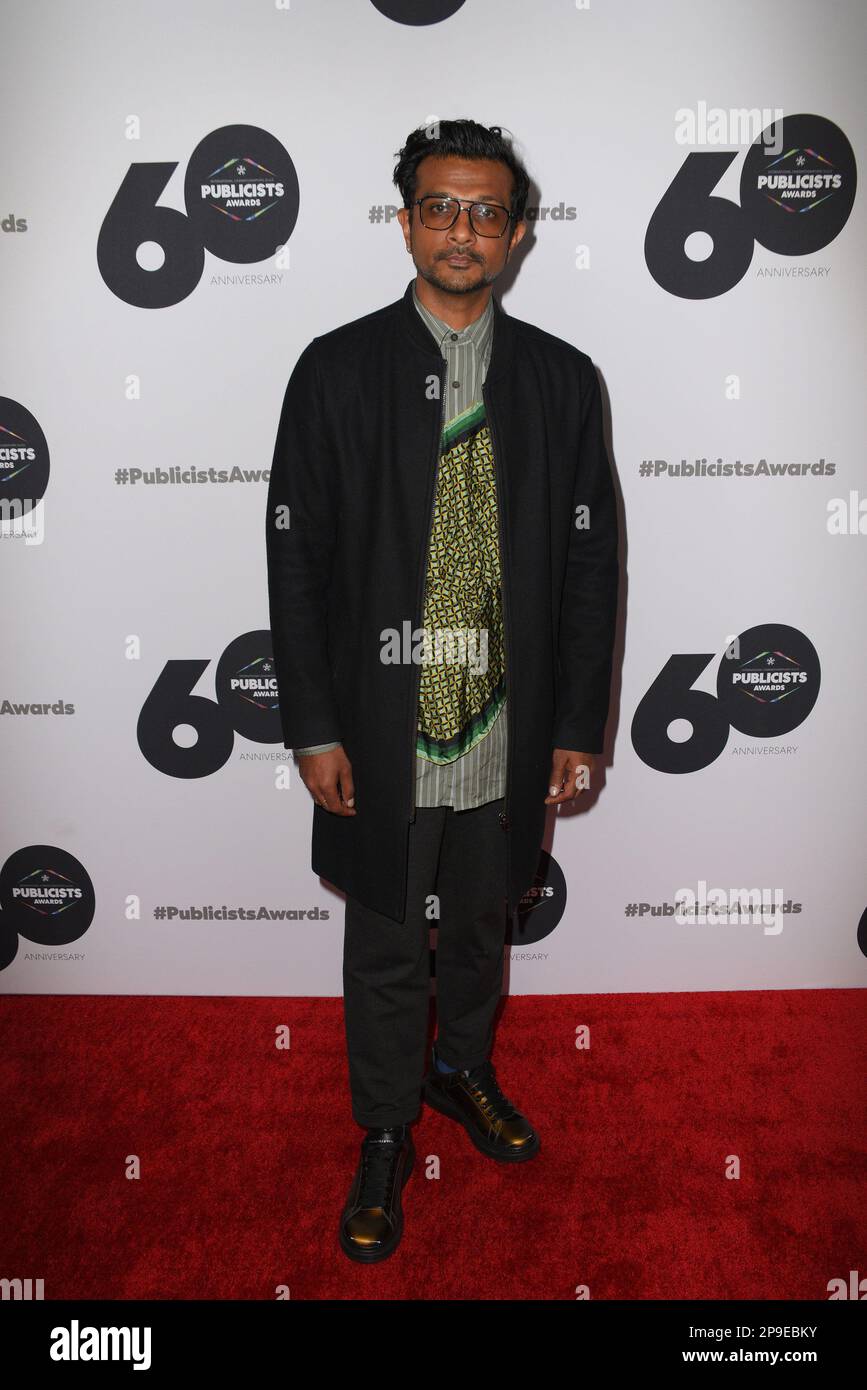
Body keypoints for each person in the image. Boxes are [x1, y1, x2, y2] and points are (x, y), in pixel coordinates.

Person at [265, 118, 619, 1263]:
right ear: (406, 217)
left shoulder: (564, 382)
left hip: (506, 729)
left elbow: (589, 563)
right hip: (378, 723)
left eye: (485, 212)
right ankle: (382, 1129)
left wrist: (575, 726)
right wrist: (313, 723)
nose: (461, 231)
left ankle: (463, 1069)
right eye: (439, 207)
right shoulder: (335, 368)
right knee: (382, 940)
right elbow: (297, 558)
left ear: (517, 233)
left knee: (478, 926)